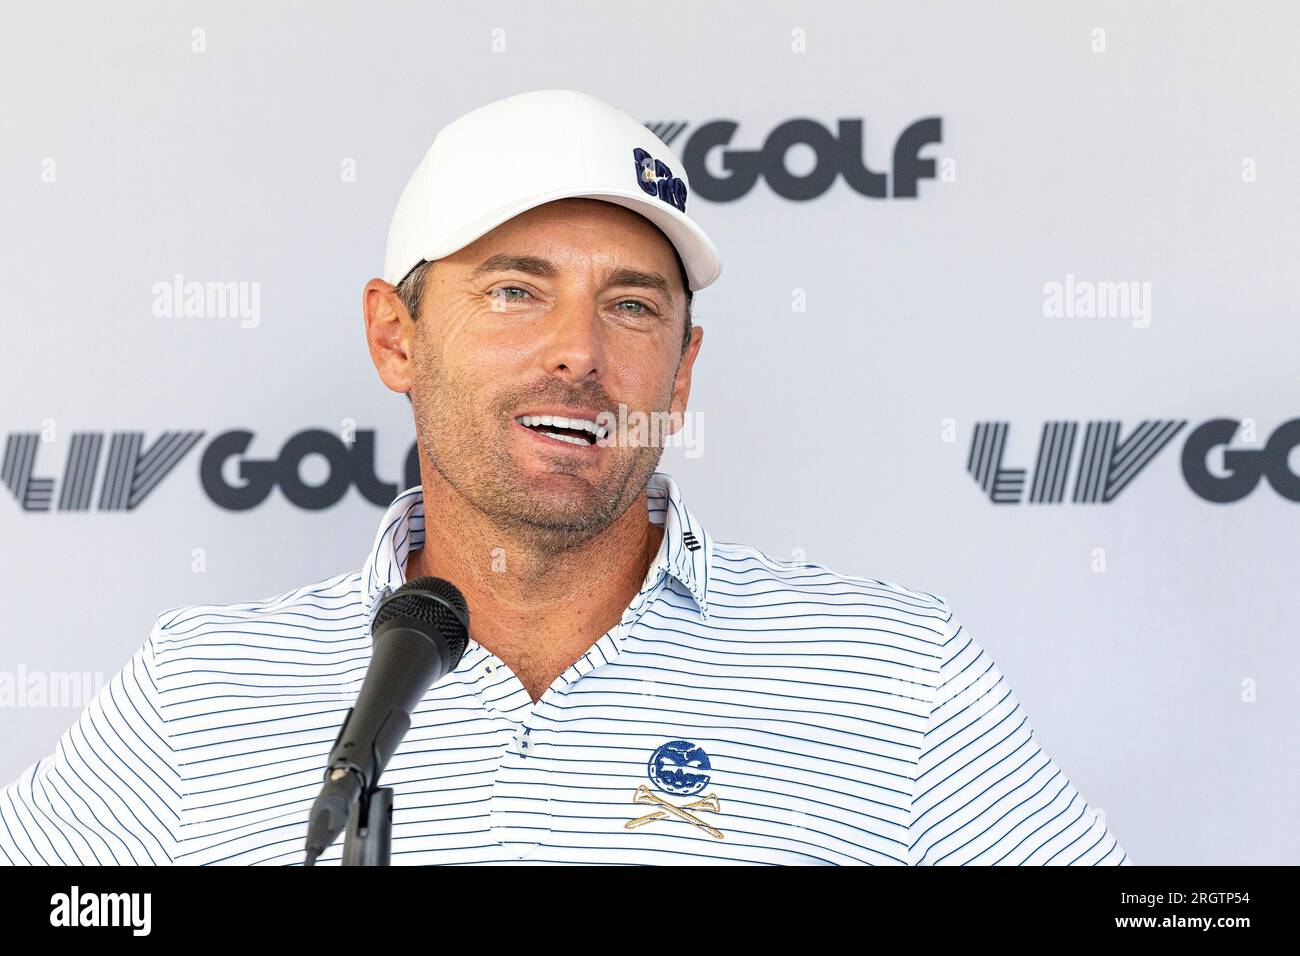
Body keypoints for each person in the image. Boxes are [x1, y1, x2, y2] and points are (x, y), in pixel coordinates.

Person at [0, 89, 1130, 865]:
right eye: (514, 289)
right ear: (395, 336)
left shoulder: (897, 677)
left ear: (680, 370)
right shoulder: (196, 693)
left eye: (632, 304)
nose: (579, 353)